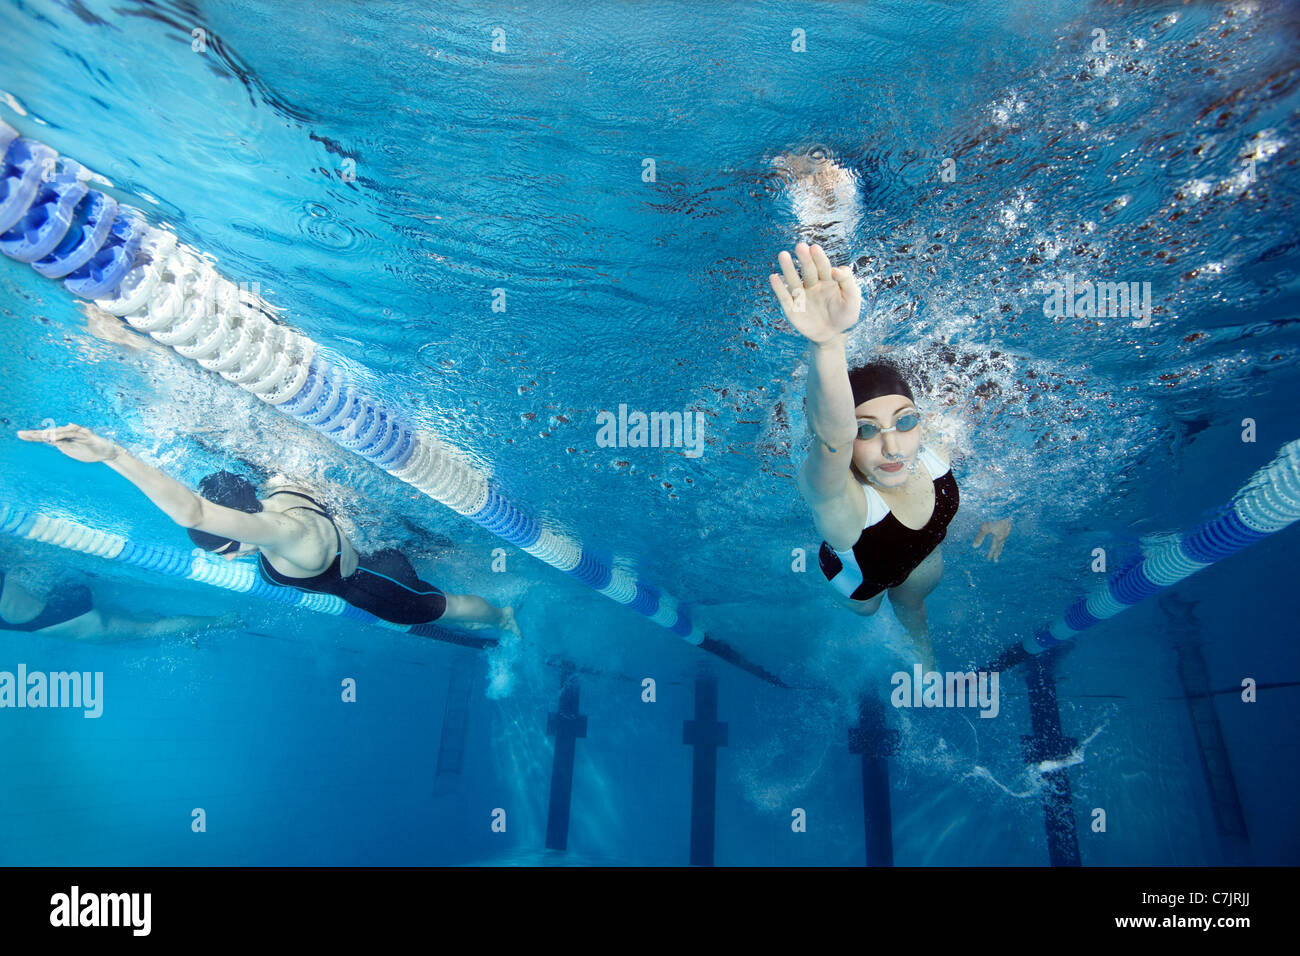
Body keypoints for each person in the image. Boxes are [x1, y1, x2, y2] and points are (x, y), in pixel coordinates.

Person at [17, 424, 520, 635]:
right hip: (357, 543)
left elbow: (193, 512)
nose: (228, 558)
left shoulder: (283, 534)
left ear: (241, 533)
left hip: (371, 582)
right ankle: (429, 544)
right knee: (405, 552)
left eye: (226, 550)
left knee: (436, 607)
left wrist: (115, 456)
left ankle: (502, 616)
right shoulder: (273, 483)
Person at [768, 241, 1011, 669]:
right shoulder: (844, 504)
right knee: (872, 609)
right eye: (866, 430)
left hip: (919, 557)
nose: (893, 446)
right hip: (861, 585)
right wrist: (827, 346)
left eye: (904, 421)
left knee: (914, 603)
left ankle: (924, 657)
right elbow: (831, 441)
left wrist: (996, 512)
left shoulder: (933, 444)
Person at [0, 565, 237, 642]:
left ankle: (227, 621)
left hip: (53, 619)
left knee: (148, 630)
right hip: (48, 602)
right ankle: (218, 622)